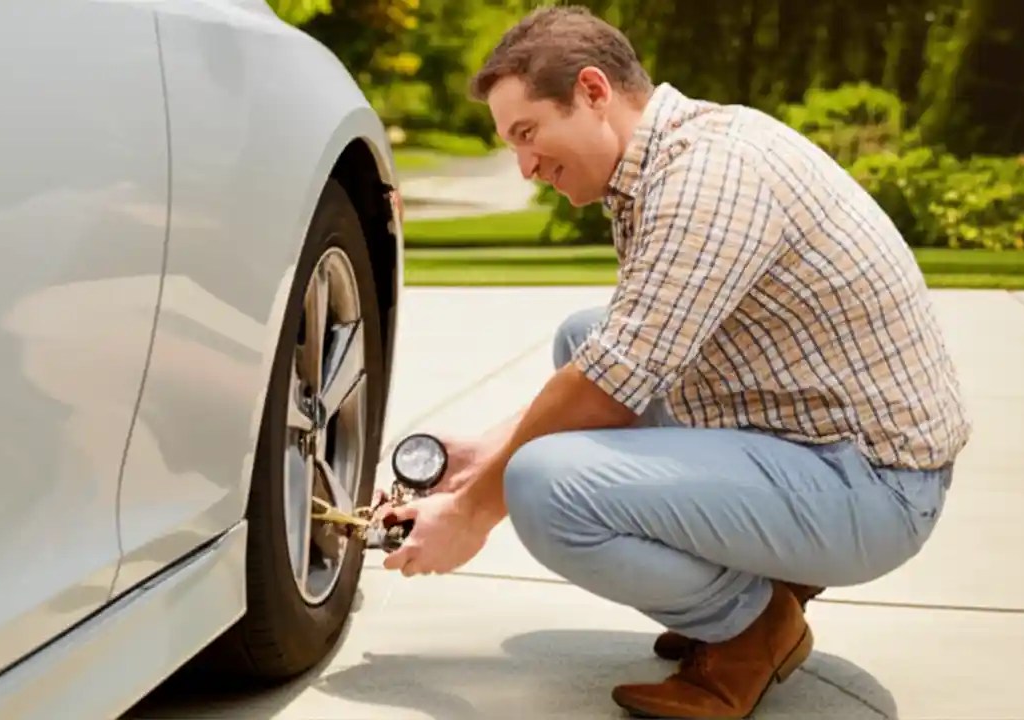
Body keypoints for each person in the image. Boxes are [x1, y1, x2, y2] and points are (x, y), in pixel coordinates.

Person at [375, 6, 971, 719]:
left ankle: (754, 628)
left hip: (872, 487)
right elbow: (619, 354)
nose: (526, 166)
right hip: (820, 444)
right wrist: (480, 452)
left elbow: (613, 384)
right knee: (581, 336)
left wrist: (473, 511)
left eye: (527, 133)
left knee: (543, 487)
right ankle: (752, 593)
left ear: (593, 91)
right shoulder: (668, 160)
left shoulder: (710, 176)